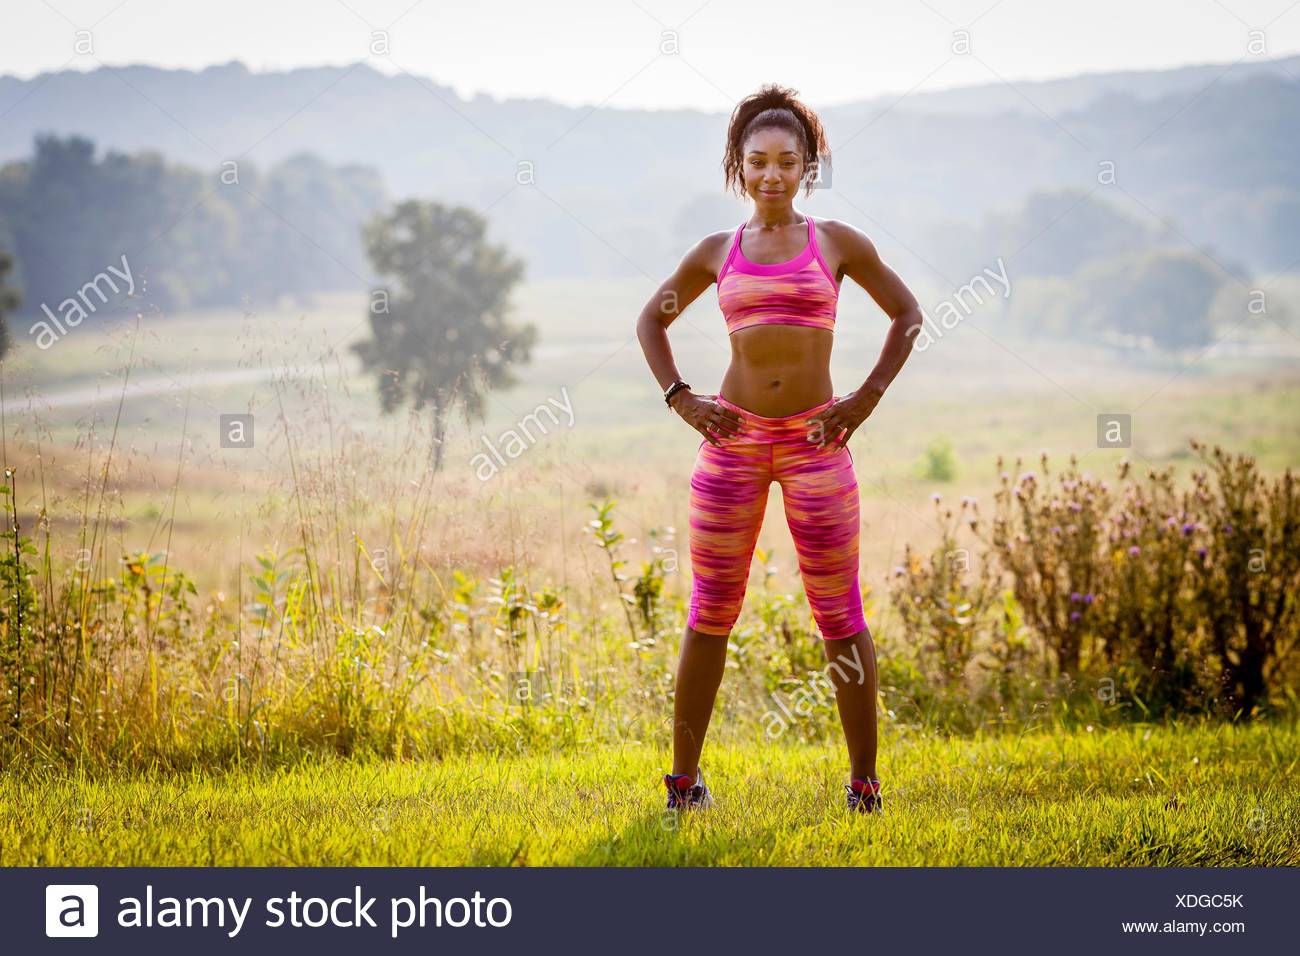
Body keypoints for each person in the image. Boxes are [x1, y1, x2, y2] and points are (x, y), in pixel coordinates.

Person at [635, 83, 923, 815]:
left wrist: (864, 399)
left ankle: (864, 783)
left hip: (816, 442)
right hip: (732, 444)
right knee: (711, 611)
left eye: (787, 161)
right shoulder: (715, 253)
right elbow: (651, 322)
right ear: (737, 165)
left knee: (839, 613)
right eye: (757, 161)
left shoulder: (837, 244)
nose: (771, 174)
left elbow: (908, 314)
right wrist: (682, 398)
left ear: (808, 166)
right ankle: (683, 783)